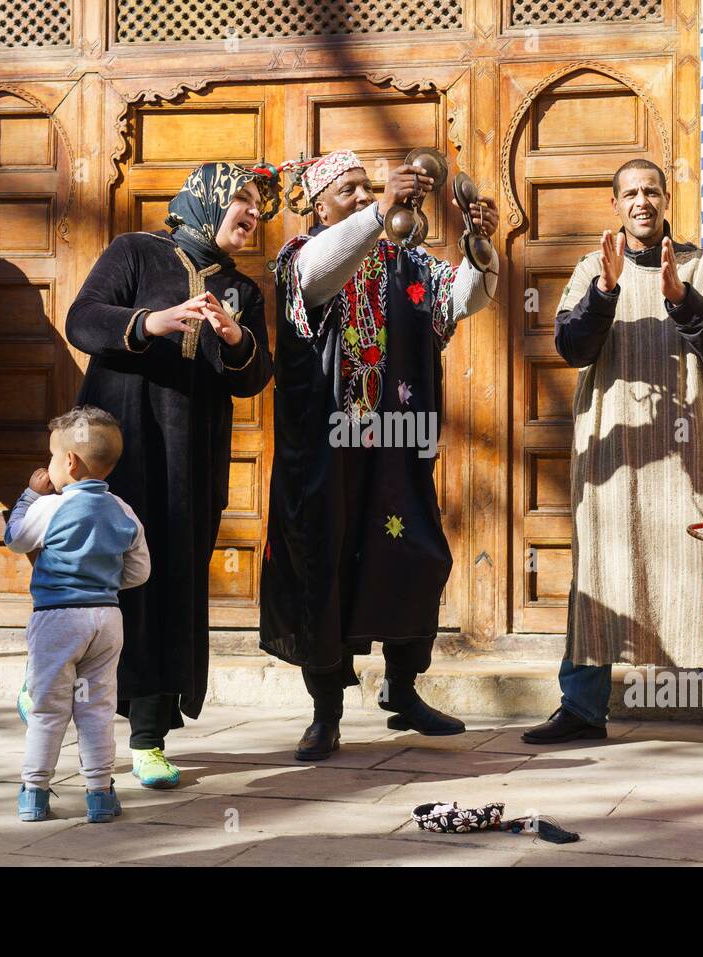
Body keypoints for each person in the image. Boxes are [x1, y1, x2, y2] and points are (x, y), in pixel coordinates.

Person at [260, 149, 499, 760]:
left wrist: (479, 244)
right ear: (318, 205)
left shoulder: (407, 262)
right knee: (326, 564)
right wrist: (379, 212)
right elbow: (320, 272)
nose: (365, 198)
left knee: (409, 551)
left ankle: (403, 688)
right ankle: (326, 712)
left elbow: (461, 300)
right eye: (349, 190)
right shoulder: (300, 256)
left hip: (396, 440)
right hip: (325, 451)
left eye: (370, 188)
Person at [65, 162, 279, 788]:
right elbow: (82, 320)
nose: (254, 214)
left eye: (260, 207)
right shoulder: (134, 252)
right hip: (119, 448)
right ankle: (56, 684)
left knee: (171, 584)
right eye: (242, 199)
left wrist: (240, 342)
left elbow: (254, 378)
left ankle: (150, 737)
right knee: (99, 577)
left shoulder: (243, 290)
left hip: (191, 458)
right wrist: (145, 323)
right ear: (205, 200)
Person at [522, 159, 703, 744]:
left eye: (651, 191)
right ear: (615, 205)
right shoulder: (593, 267)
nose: (641, 202)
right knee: (601, 567)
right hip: (613, 454)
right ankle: (583, 708)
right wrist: (606, 292)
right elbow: (570, 346)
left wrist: (680, 297)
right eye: (630, 194)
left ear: (666, 200)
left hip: (689, 453)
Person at [6, 407, 150, 823]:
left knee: (48, 710)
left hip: (57, 620)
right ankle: (100, 795)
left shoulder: (49, 507)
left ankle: (34, 793)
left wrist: (30, 495)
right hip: (106, 620)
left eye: (52, 456)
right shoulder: (123, 510)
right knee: (96, 708)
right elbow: (139, 572)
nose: (49, 466)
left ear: (68, 462)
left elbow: (15, 539)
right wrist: (100, 582)